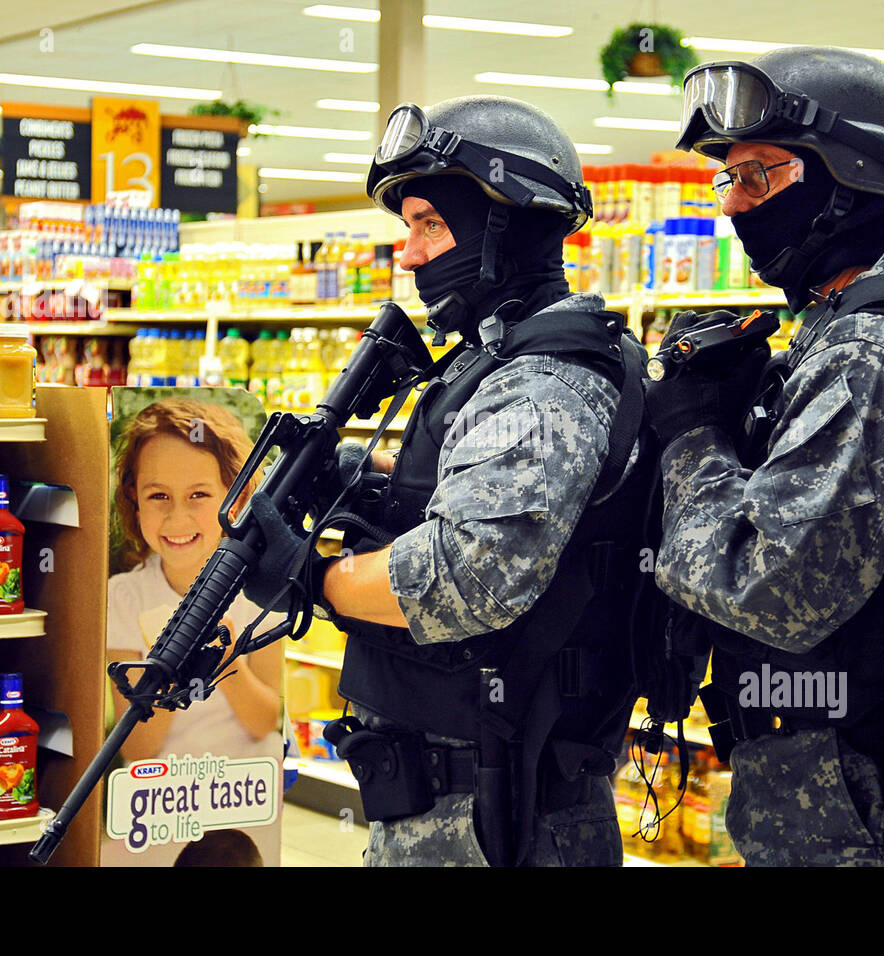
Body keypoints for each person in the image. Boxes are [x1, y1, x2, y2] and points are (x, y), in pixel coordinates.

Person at [243, 95, 651, 866]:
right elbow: (468, 479)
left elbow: (468, 575)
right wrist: (363, 479)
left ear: (506, 221)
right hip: (460, 799)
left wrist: (312, 578)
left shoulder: (544, 381)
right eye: (409, 228)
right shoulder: (496, 359)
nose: (410, 253)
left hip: (501, 812)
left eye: (430, 223)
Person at [647, 47, 884, 866]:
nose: (736, 206)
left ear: (849, 174)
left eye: (761, 177)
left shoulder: (870, 346)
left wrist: (693, 434)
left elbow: (768, 589)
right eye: (727, 181)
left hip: (863, 801)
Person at [105, 398, 286, 867]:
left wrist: (227, 657)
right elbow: (137, 745)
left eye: (200, 495)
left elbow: (264, 719)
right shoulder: (123, 598)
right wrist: (170, 658)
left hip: (241, 800)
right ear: (133, 499)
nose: (177, 518)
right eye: (158, 495)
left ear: (239, 498)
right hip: (157, 809)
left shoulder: (263, 592)